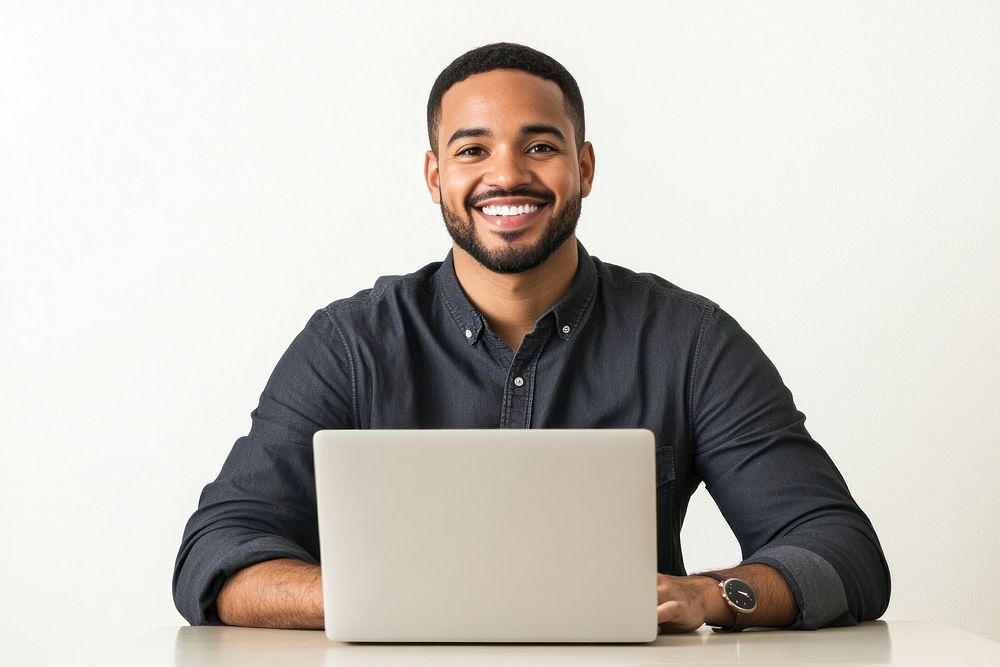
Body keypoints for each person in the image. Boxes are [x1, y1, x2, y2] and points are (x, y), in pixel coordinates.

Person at [173, 42, 890, 633]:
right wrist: (371, 597)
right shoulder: (349, 344)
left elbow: (842, 550)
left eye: (539, 145)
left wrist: (712, 596)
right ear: (435, 176)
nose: (507, 175)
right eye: (472, 150)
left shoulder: (690, 341)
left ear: (584, 167)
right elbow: (215, 553)